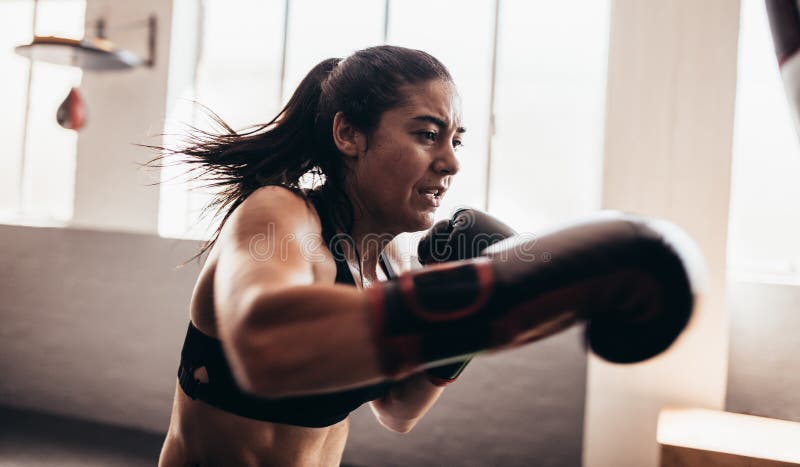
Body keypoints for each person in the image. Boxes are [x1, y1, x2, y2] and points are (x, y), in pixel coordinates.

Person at [154, 45, 702, 466]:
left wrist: (466, 316)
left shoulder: (393, 261)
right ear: (348, 134)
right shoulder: (279, 214)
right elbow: (267, 348)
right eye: (426, 134)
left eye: (455, 140)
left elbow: (398, 411)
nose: (451, 162)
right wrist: (504, 291)